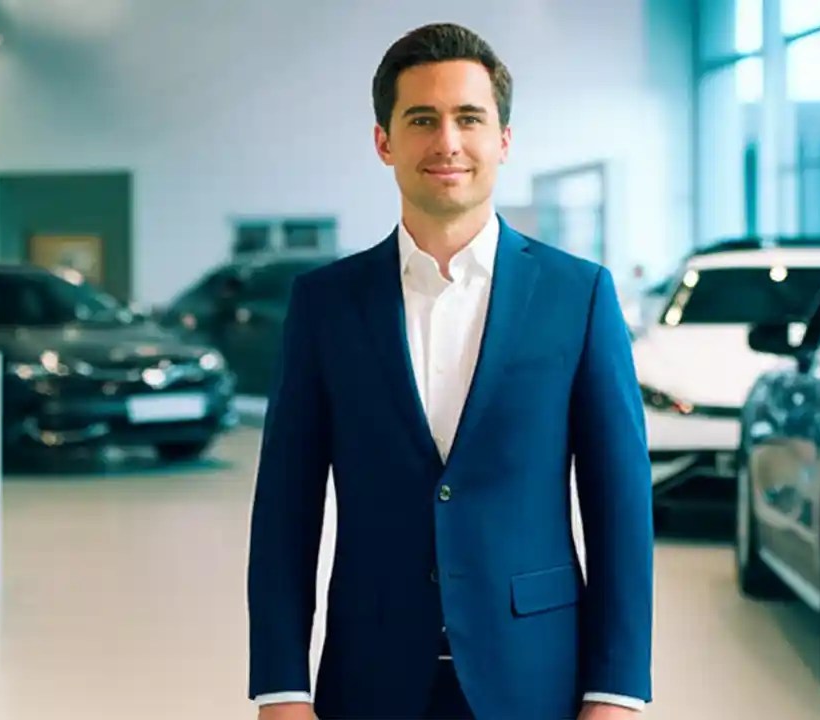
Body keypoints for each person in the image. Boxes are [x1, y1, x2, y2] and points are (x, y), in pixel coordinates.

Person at [247, 22, 654, 720]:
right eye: (422, 119)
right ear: (384, 141)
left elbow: (620, 505)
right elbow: (285, 508)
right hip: (370, 675)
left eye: (470, 118)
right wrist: (281, 687)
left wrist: (615, 691)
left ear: (504, 139)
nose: (448, 142)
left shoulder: (577, 295)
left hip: (535, 675)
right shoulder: (326, 306)